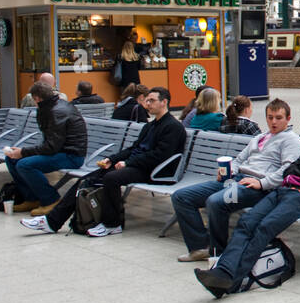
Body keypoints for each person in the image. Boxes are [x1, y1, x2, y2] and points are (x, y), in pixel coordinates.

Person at [194, 111, 300, 297]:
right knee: (246, 222)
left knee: (264, 228)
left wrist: (299, 170)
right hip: (283, 190)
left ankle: (232, 281)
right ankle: (222, 271)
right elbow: (292, 168)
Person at [20, 87, 186, 237]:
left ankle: (112, 224)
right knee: (85, 180)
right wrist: (111, 159)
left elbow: (160, 155)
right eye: (147, 100)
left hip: (156, 171)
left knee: (111, 178)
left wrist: (128, 163)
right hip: (139, 166)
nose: (148, 104)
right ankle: (52, 221)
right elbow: (132, 148)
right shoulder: (150, 126)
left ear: (164, 102)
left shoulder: (173, 127)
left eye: (152, 101)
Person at [171, 98, 300, 262]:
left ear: (288, 119)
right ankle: (200, 247)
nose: (273, 122)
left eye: (278, 118)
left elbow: (287, 170)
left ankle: (218, 253)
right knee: (181, 196)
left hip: (258, 186)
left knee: (216, 202)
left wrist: (262, 183)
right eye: (270, 117)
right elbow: (239, 159)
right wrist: (229, 170)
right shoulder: (261, 137)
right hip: (236, 180)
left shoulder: (291, 140)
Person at [4, 81, 88, 215]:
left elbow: (52, 147)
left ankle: (51, 200)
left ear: (37, 98)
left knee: (25, 165)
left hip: (72, 156)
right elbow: (51, 144)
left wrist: (23, 152)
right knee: (11, 160)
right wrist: (23, 152)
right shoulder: (52, 107)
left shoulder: (56, 112)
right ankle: (32, 198)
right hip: (61, 151)